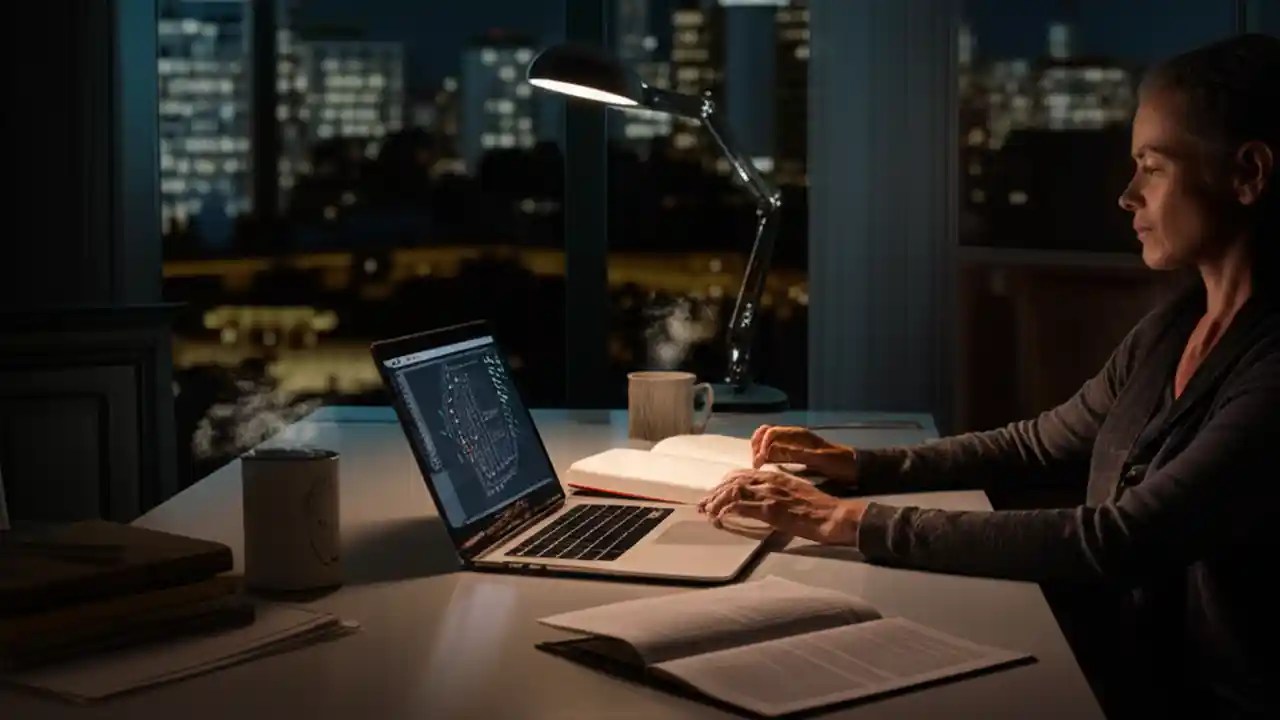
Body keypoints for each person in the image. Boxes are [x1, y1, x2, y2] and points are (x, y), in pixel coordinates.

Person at [698, 33, 1279, 718]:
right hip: (1105, 671)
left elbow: (1123, 540)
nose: (1128, 196)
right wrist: (860, 466)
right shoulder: (1174, 328)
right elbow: (1036, 445)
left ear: (1248, 173)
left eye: (1152, 167)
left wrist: (842, 519)